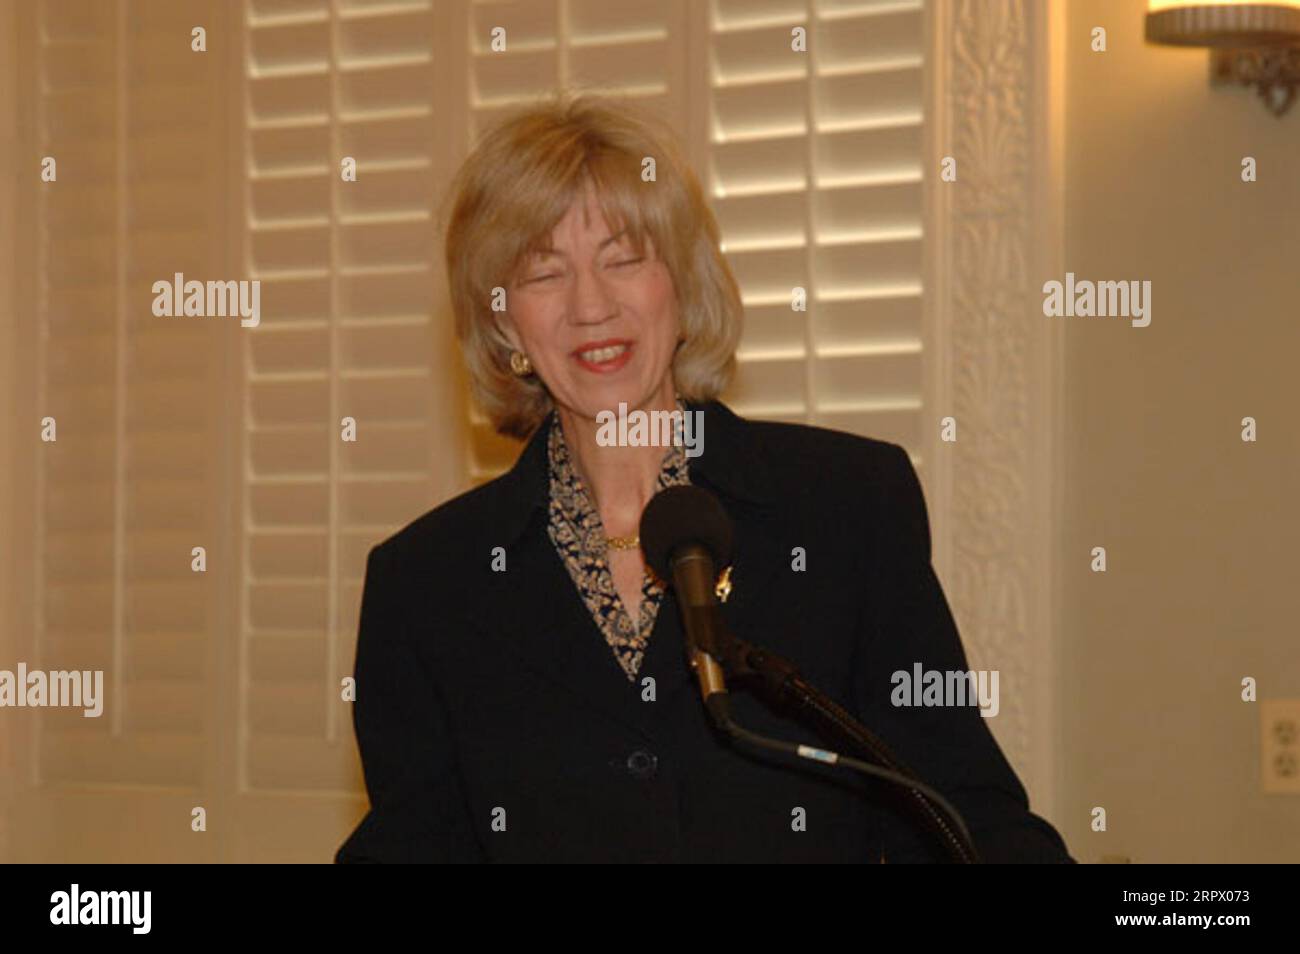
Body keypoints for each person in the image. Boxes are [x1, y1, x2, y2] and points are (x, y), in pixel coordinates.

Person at [334, 93, 1073, 863]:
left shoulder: (848, 507)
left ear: (682, 288)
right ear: (503, 325)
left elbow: (960, 815)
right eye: (543, 275)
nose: (591, 306)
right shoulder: (425, 584)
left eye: (624, 259)